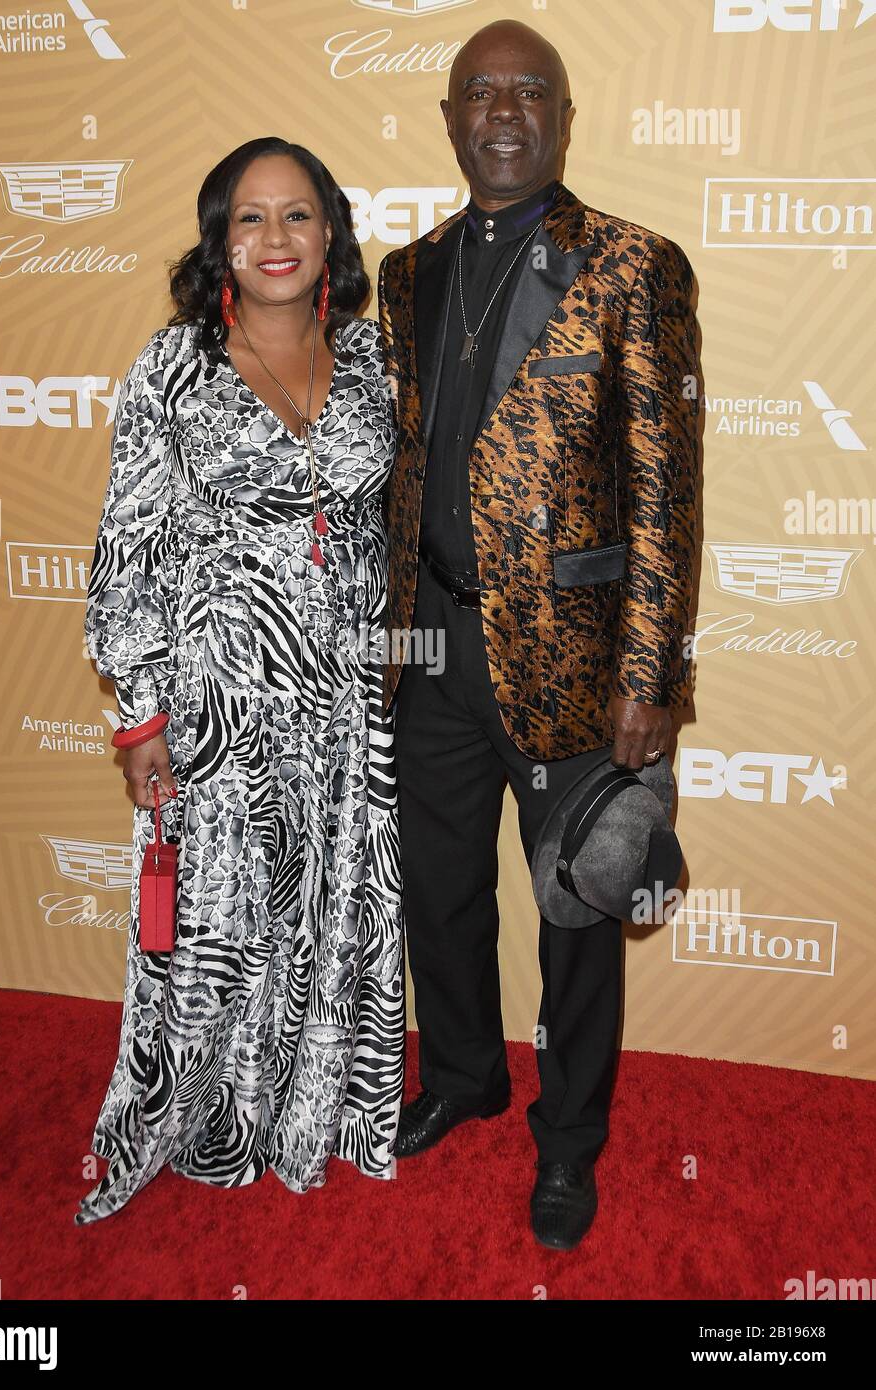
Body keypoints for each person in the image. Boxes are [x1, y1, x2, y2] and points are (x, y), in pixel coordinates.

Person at [377, 19, 701, 1249]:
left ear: (564, 120)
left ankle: (568, 1142)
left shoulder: (632, 265)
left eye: (530, 92)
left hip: (574, 666)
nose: (503, 110)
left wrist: (649, 676)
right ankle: (462, 1074)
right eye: (479, 92)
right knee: (440, 894)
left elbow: (670, 490)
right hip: (430, 651)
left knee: (577, 915)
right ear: (450, 118)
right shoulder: (403, 277)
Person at [75, 138, 404, 1225]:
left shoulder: (368, 363)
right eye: (249, 218)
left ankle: (310, 1106)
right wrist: (141, 712)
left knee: (324, 900)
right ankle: (206, 1118)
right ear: (220, 238)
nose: (275, 239)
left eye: (297, 215)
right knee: (215, 915)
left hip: (346, 698)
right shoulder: (172, 366)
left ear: (330, 236)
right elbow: (126, 548)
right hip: (217, 694)